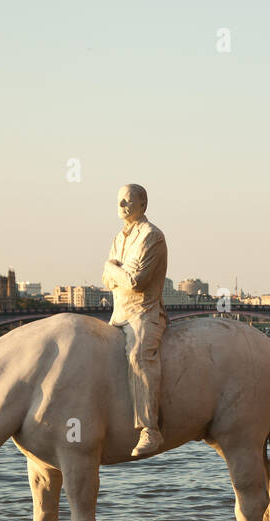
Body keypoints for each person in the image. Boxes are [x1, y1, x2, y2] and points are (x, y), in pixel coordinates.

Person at [102, 184, 168, 457]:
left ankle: (149, 429)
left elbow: (135, 281)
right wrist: (113, 271)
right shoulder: (119, 238)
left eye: (128, 201)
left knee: (139, 356)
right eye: (119, 201)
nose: (122, 207)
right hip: (118, 316)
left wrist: (110, 267)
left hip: (144, 314)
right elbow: (108, 282)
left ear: (143, 205)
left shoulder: (152, 236)